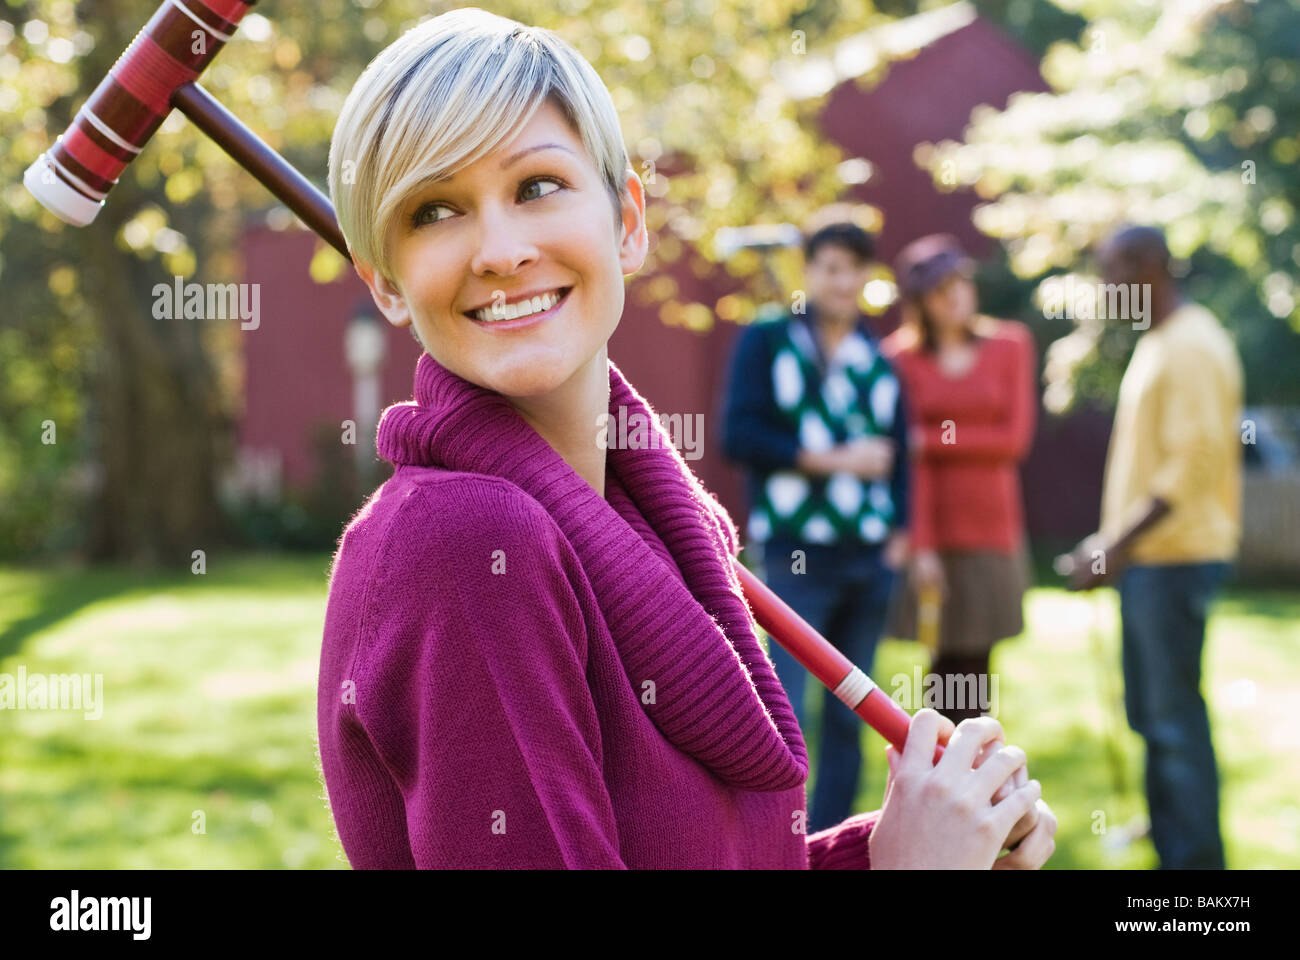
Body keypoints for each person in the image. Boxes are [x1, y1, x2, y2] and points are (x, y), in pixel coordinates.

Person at [317, 7, 1054, 869]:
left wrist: (897, 848)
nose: (500, 249)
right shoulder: (468, 545)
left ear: (628, 220)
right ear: (387, 284)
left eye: (537, 186)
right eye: (435, 209)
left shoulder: (658, 520)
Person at [720, 221, 913, 834]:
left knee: (853, 710)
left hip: (868, 555)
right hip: (798, 553)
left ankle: (829, 837)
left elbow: (902, 455)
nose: (841, 280)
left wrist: (901, 535)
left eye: (853, 268)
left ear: (865, 278)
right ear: (810, 273)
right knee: (787, 705)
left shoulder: (877, 360)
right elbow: (738, 436)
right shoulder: (768, 342)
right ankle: (772, 835)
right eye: (828, 267)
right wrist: (835, 461)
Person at [1059, 224, 1243, 869]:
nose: (1106, 286)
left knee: (1172, 727)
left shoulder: (1190, 345)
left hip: (1175, 560)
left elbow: (1190, 468)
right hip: (1152, 563)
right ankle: (1175, 857)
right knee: (1154, 720)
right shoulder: (1162, 341)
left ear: (1145, 266)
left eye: (1111, 270)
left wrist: (1110, 547)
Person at [881, 235, 1037, 725]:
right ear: (920, 301)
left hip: (992, 528)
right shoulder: (898, 359)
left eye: (961, 284)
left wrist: (929, 438)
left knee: (978, 668)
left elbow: (1012, 440)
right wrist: (922, 544)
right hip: (933, 533)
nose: (955, 297)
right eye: (940, 289)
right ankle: (940, 778)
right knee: (941, 667)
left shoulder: (1010, 345)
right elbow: (908, 461)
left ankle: (979, 781)